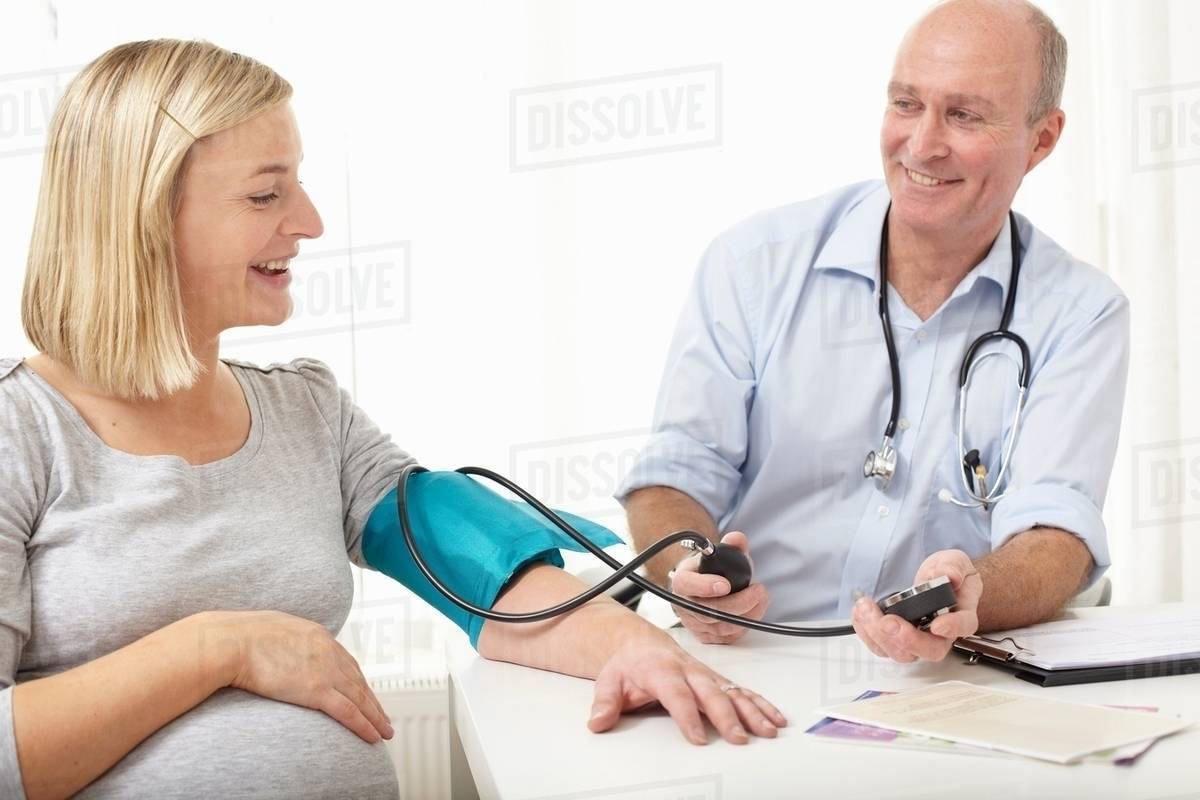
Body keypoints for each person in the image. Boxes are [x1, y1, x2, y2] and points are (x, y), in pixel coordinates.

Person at [0, 40, 786, 800]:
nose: (308, 222)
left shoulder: (307, 411)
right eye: (265, 193)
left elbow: (486, 578)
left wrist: (640, 650)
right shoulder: (20, 432)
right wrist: (218, 648)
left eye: (298, 185)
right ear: (140, 218)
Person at [618, 0, 1130, 663]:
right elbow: (676, 472)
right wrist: (690, 570)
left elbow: (1056, 534)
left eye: (965, 115)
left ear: (1042, 140)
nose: (922, 145)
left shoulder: (1082, 312)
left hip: (943, 684)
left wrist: (974, 591)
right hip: (749, 664)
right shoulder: (752, 264)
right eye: (907, 104)